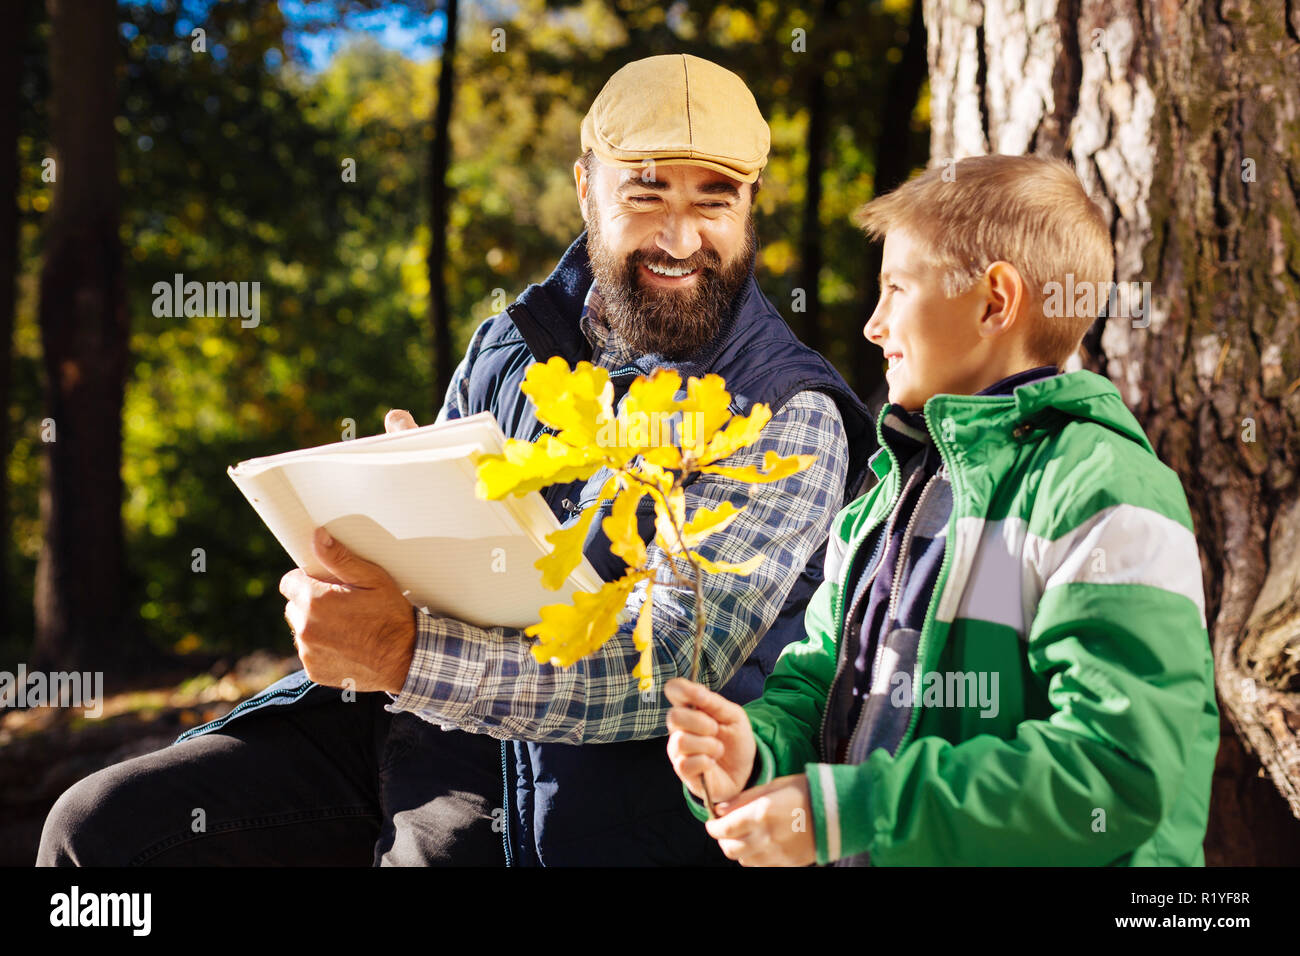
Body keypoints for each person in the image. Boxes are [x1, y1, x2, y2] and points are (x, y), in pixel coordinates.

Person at [37, 54, 876, 867]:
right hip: (424, 750)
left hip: (597, 812)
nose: (681, 237)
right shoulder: (512, 344)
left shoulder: (786, 413)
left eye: (715, 200)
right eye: (646, 193)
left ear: (751, 204)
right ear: (587, 188)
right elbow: (437, 582)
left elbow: (669, 670)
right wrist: (389, 515)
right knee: (103, 832)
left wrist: (405, 657)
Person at [665, 154, 1221, 866]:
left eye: (897, 288)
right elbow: (818, 686)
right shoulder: (883, 500)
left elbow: (1112, 773)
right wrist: (753, 750)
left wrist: (853, 813)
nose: (873, 325)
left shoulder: (1102, 490)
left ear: (994, 302)